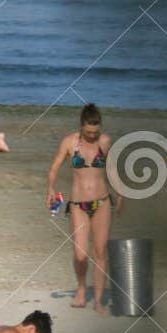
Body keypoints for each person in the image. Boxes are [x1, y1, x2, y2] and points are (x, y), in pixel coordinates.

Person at [45, 103, 118, 314]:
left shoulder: (105, 141)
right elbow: (54, 167)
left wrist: (120, 193)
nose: (92, 136)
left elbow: (112, 169)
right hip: (78, 205)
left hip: (102, 202)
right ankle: (80, 288)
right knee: (80, 254)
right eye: (88, 132)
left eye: (95, 132)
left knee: (100, 251)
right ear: (81, 126)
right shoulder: (69, 142)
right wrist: (50, 188)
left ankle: (98, 301)